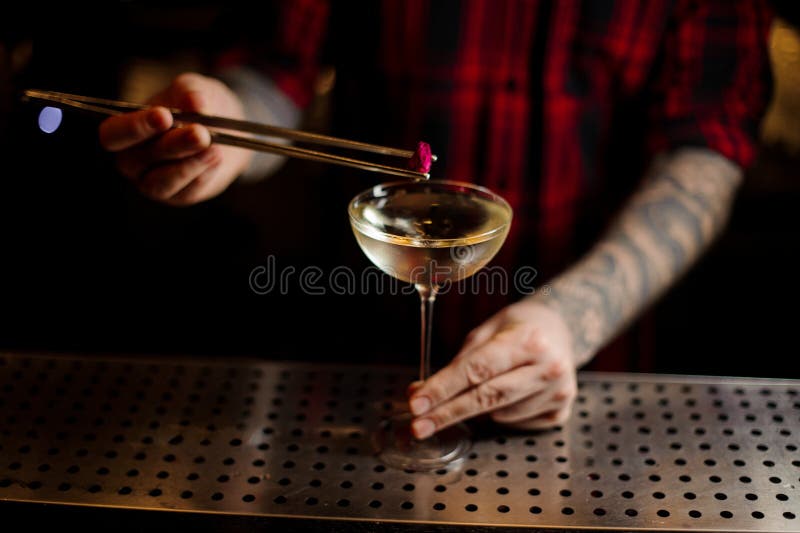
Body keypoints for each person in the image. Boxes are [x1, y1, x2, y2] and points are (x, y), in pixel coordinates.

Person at [97, 1, 773, 440]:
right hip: (355, 377)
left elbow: (708, 144)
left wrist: (572, 319)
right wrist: (226, 122)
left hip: (579, 382)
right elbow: (277, 70)